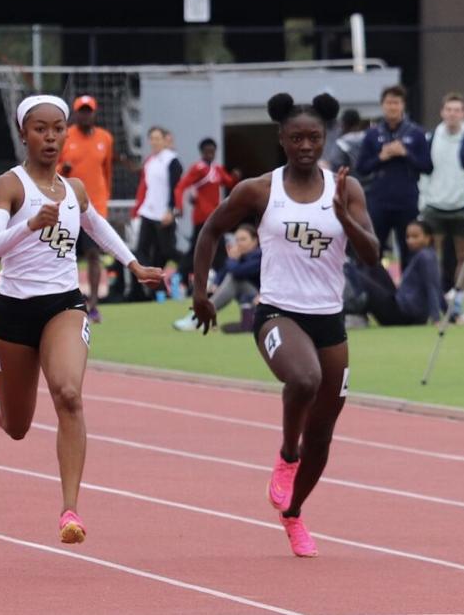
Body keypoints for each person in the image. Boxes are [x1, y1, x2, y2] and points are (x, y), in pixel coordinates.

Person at [191, 92, 379, 558]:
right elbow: (211, 229)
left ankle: (294, 514)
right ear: (281, 139)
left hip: (328, 318)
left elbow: (373, 255)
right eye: (296, 137)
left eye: (314, 137)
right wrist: (201, 292)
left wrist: (344, 219)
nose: (305, 145)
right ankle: (286, 454)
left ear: (325, 139)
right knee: (304, 378)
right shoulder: (259, 189)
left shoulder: (346, 190)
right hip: (277, 312)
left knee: (325, 433)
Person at [0, 95, 163, 544]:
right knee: (18, 426)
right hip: (13, 312)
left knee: (68, 394)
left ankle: (70, 511)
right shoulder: (10, 185)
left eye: (57, 128)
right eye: (40, 129)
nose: (50, 137)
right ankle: (1, 403)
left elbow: (96, 225)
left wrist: (133, 263)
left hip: (63, 303)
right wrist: (27, 226)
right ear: (24, 134)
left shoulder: (73, 189)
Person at [356, 85, 432, 270]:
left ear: (403, 105)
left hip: (406, 199)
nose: (392, 107)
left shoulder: (416, 133)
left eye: (396, 103)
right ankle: (372, 293)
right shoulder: (372, 134)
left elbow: (427, 166)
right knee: (374, 248)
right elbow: (361, 168)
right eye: (389, 103)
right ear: (382, 105)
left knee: (409, 250)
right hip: (379, 200)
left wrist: (405, 153)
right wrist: (380, 157)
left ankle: (408, 295)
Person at [56, 94, 114, 323]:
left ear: (95, 113)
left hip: (95, 206)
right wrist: (63, 167)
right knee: (62, 254)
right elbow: (52, 168)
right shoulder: (65, 135)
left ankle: (93, 305)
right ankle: (63, 302)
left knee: (93, 255)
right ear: (75, 113)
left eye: (89, 111)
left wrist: (104, 199)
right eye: (82, 110)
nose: (85, 115)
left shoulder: (105, 138)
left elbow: (107, 171)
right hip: (66, 206)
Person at [345, 219, 445, 326]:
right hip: (400, 304)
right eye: (408, 237)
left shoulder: (426, 257)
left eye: (415, 237)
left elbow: (433, 287)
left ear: (428, 238)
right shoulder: (424, 255)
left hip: (405, 315)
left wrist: (436, 319)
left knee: (353, 270)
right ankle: (356, 308)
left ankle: (349, 309)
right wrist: (449, 313)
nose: (410, 241)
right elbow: (438, 288)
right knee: (373, 264)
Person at [175, 137, 240, 288]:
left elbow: (228, 182)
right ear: (202, 152)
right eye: (207, 151)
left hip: (216, 215)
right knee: (199, 249)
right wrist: (179, 207)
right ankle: (181, 279)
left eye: (212, 151)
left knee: (216, 249)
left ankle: (219, 280)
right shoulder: (198, 168)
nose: (210, 154)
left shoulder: (217, 169)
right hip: (202, 217)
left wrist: (236, 177)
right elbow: (181, 186)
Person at [422, 93, 464, 292]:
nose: (452, 114)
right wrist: (423, 200)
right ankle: (437, 294)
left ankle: (458, 296)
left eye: (457, 110)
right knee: (435, 256)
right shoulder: (431, 137)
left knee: (463, 256)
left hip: (462, 205)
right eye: (449, 110)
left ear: (463, 114)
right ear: (442, 112)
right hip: (434, 205)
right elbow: (424, 172)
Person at [174, 223, 259, 331]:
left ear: (255, 241)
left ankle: (200, 317)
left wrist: (232, 259)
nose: (239, 243)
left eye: (243, 239)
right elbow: (224, 270)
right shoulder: (242, 256)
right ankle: (201, 316)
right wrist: (216, 283)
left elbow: (238, 272)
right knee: (227, 280)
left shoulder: (259, 256)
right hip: (251, 298)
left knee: (235, 280)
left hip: (263, 299)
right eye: (237, 240)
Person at [133, 126, 183, 276]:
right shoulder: (150, 162)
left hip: (163, 214)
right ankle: (154, 280)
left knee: (167, 251)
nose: (154, 142)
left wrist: (171, 210)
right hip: (148, 212)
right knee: (141, 250)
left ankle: (193, 266)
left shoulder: (172, 161)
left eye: (158, 139)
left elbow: (176, 187)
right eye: (152, 139)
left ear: (164, 140)